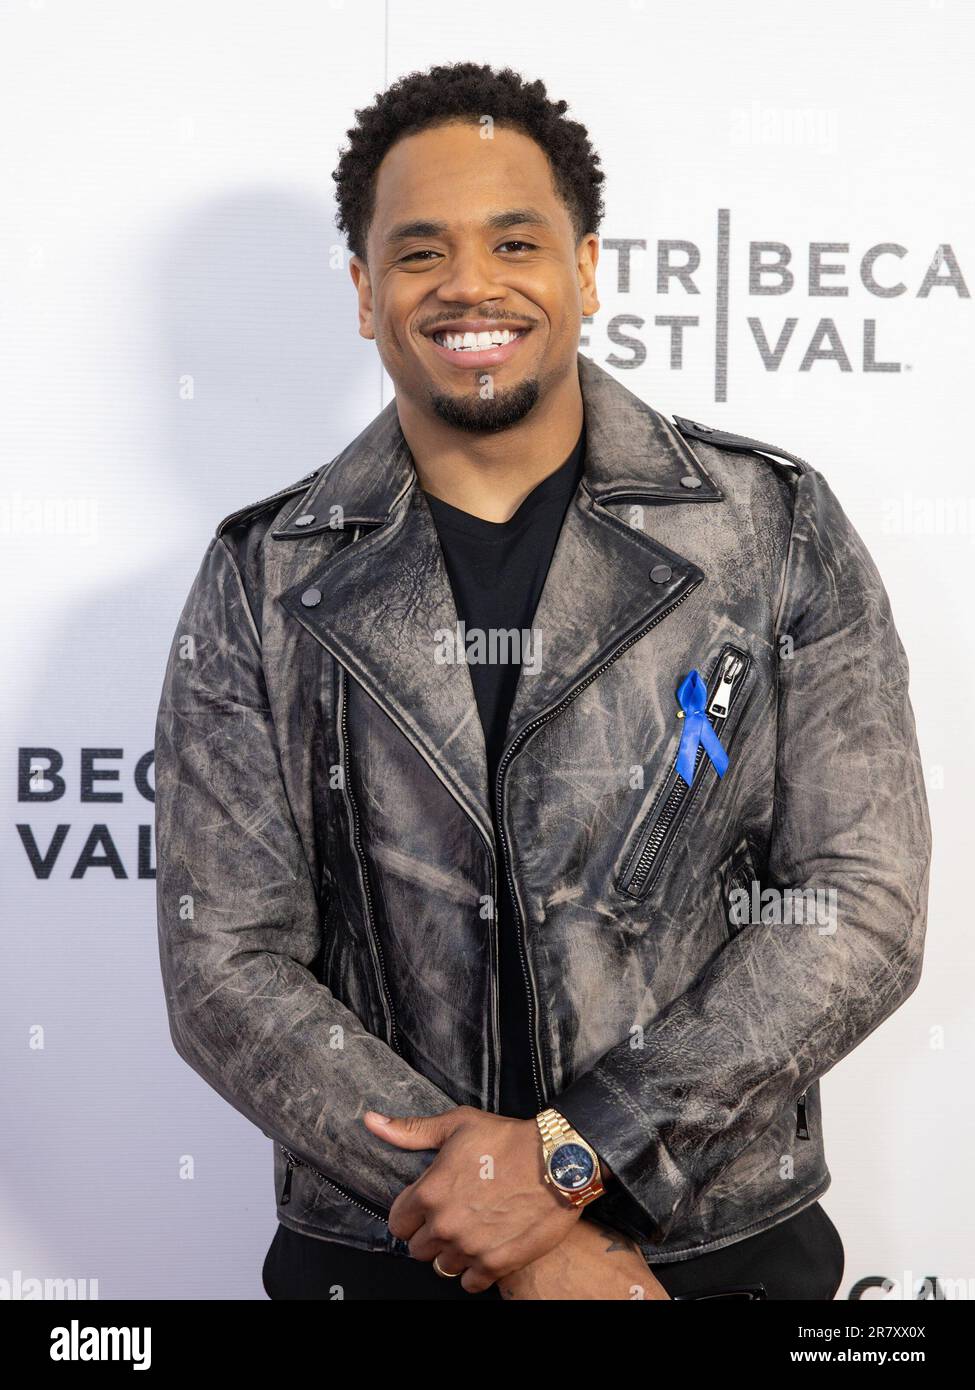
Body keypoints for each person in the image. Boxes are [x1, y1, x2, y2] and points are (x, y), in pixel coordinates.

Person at [154, 61, 930, 1301]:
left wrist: (575, 1156)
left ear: (587, 268)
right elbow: (223, 969)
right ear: (364, 292)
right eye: (419, 254)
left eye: (516, 240)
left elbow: (859, 904)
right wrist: (506, 1222)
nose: (471, 284)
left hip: (715, 1262)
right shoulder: (262, 574)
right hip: (388, 1260)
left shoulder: (771, 526)